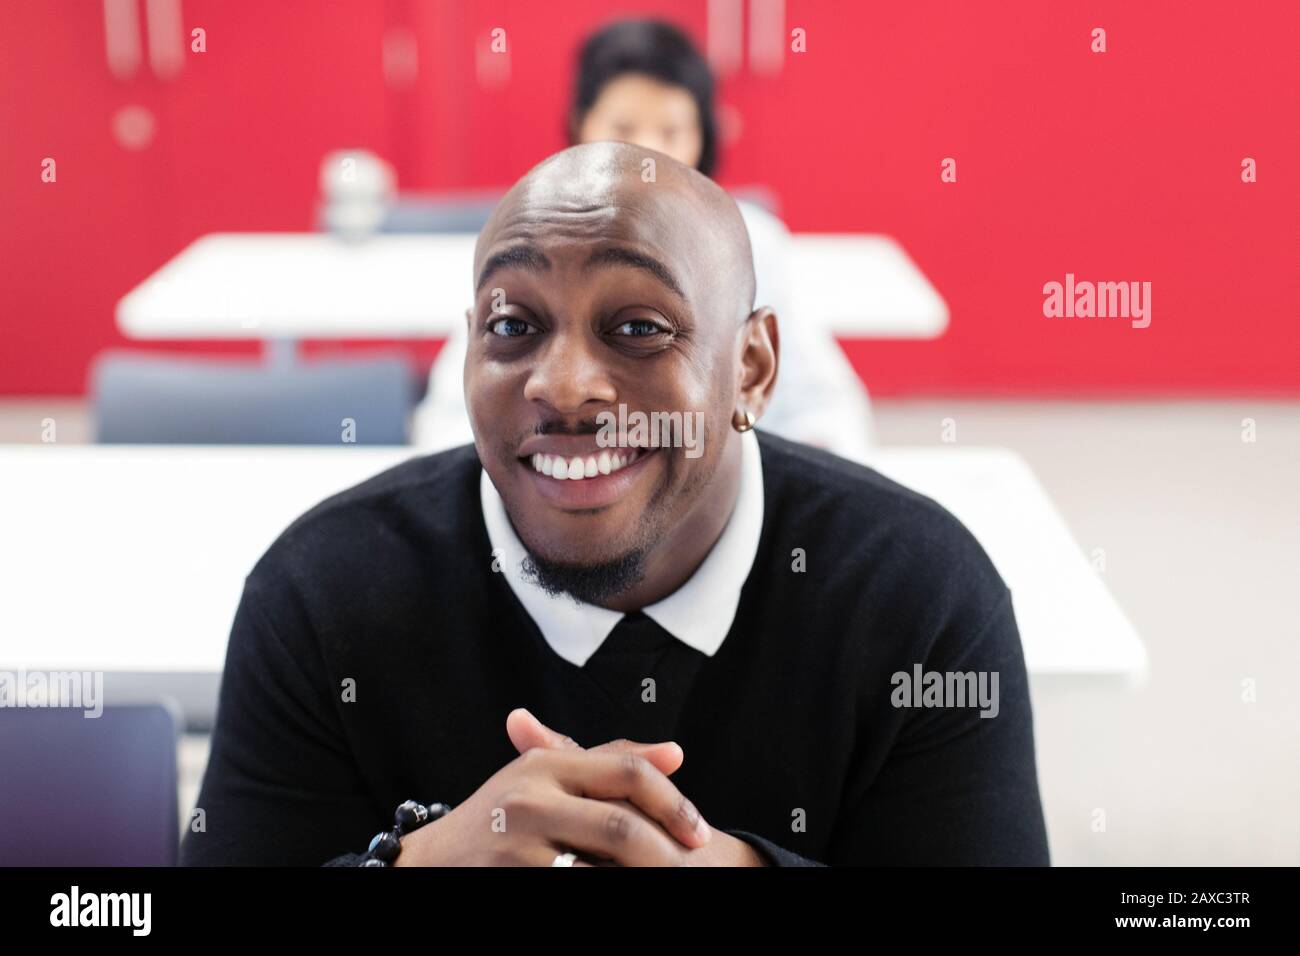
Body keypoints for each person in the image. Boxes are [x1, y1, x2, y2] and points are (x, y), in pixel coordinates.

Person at [181, 142, 1049, 867]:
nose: (562, 388)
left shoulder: (922, 598)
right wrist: (410, 861)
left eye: (637, 327)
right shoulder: (322, 593)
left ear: (752, 369)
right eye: (514, 325)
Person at [413, 19, 875, 462]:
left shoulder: (755, 243)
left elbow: (826, 411)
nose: (649, 152)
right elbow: (452, 421)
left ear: (703, 136)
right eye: (623, 129)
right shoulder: (528, 240)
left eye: (672, 131)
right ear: (581, 129)